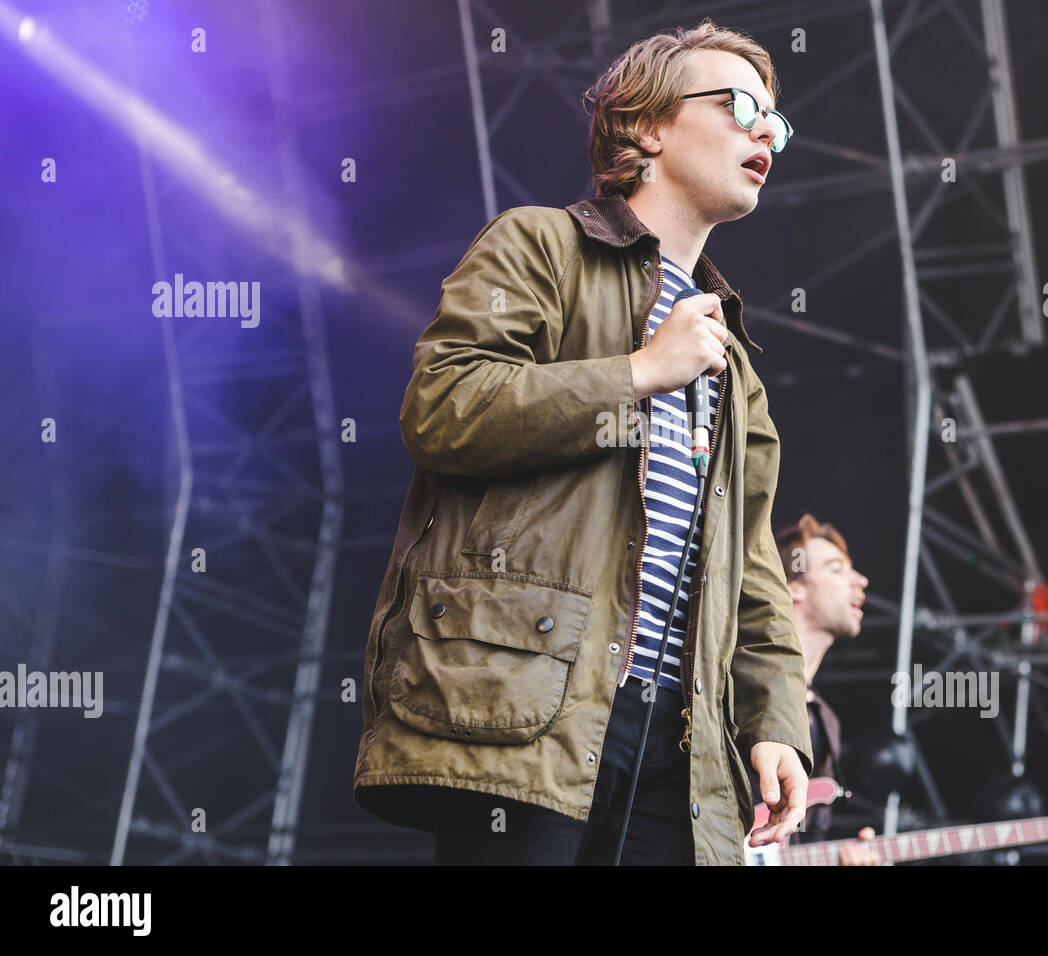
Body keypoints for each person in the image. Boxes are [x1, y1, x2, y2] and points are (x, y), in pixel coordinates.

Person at [353, 19, 813, 866]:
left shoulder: (733, 363)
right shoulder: (540, 244)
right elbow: (443, 407)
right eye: (740, 105)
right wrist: (637, 372)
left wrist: (777, 723)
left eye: (774, 122)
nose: (764, 131)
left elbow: (750, 567)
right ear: (645, 126)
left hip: (681, 749)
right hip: (525, 713)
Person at [749, 514, 881, 866]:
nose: (860, 581)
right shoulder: (738, 682)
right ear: (793, 586)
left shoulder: (827, 721)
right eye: (837, 569)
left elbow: (803, 840)